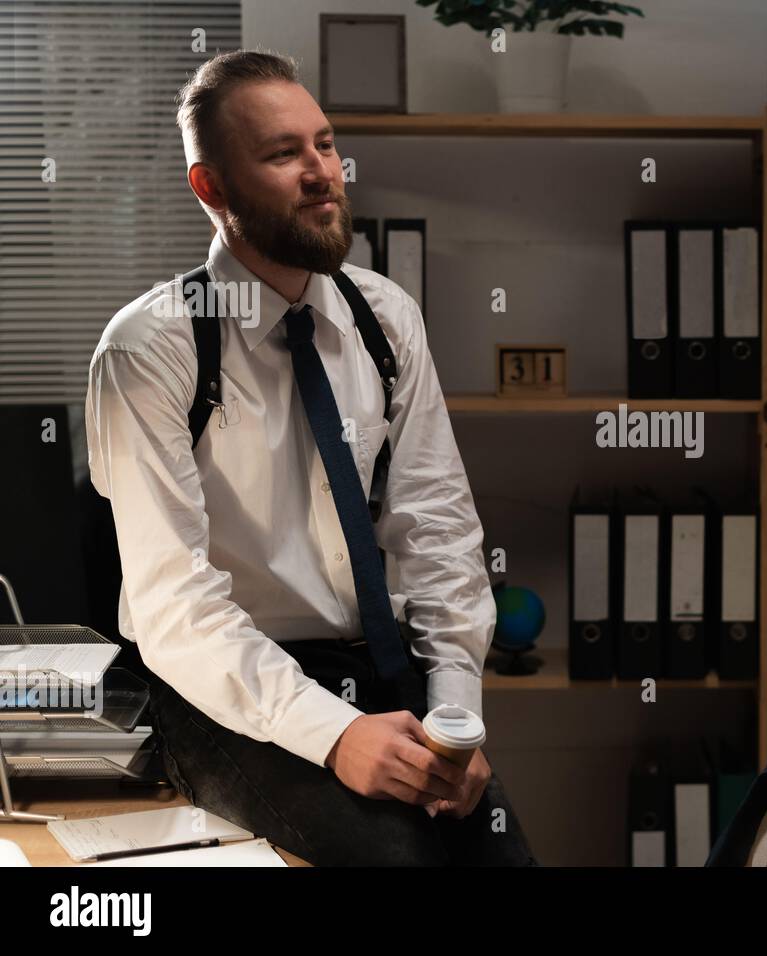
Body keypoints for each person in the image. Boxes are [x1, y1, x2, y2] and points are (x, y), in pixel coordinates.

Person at [84, 50, 537, 866]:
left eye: (325, 144)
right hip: (220, 686)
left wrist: (456, 716)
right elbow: (174, 607)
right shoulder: (151, 350)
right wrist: (335, 735)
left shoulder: (384, 318)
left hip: (380, 664)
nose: (322, 172)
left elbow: (436, 530)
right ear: (211, 189)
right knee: (395, 861)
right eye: (283, 154)